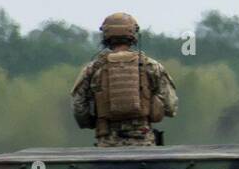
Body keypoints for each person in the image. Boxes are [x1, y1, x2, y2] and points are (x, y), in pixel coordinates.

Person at [71, 12, 178, 147]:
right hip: (144, 142)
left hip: (107, 142)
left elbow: (79, 107)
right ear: (133, 34)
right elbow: (170, 106)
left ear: (105, 35)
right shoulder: (151, 66)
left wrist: (91, 122)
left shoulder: (92, 69)